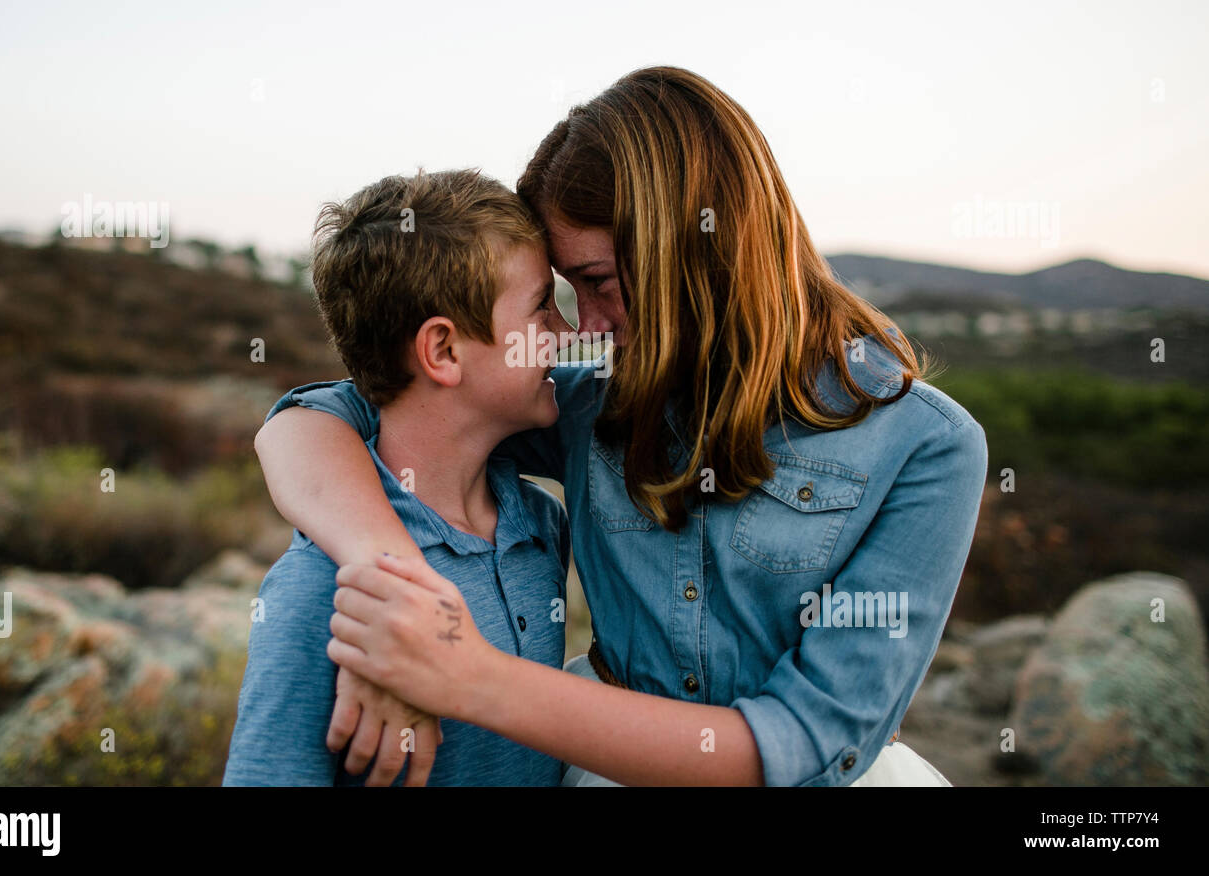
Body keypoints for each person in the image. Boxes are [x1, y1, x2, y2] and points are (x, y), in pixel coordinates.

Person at [255, 66, 988, 786]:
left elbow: (806, 744)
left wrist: (460, 675)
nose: (587, 329)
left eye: (598, 284)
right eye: (562, 295)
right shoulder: (592, 400)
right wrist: (398, 587)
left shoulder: (926, 448)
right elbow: (334, 412)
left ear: (699, 246)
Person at [223, 169, 575, 785]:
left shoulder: (540, 525)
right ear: (442, 352)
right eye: (541, 307)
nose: (566, 332)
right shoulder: (325, 587)